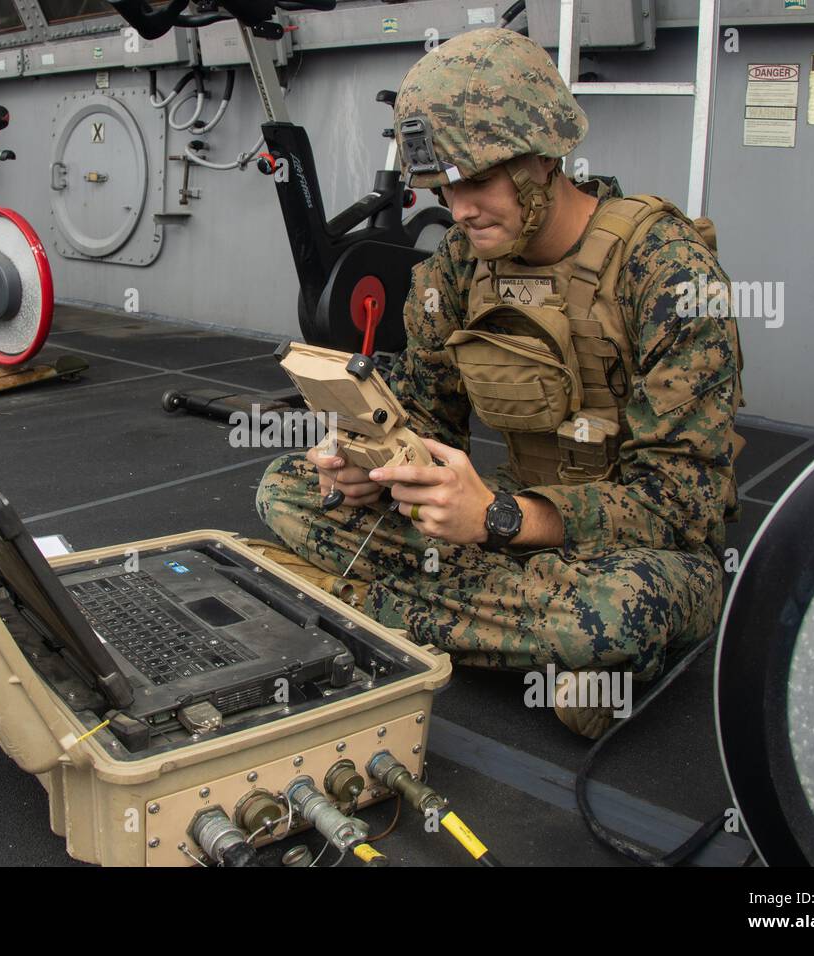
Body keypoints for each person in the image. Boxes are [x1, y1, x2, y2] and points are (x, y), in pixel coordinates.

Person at [253, 27, 745, 739]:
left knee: (623, 610)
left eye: (478, 181)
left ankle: (361, 598)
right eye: (441, 188)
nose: (458, 211)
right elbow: (422, 412)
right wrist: (373, 467)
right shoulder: (458, 265)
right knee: (289, 488)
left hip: (629, 553)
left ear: (545, 157)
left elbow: (682, 502)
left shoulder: (669, 274)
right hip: (499, 538)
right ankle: (541, 648)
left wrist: (504, 518)